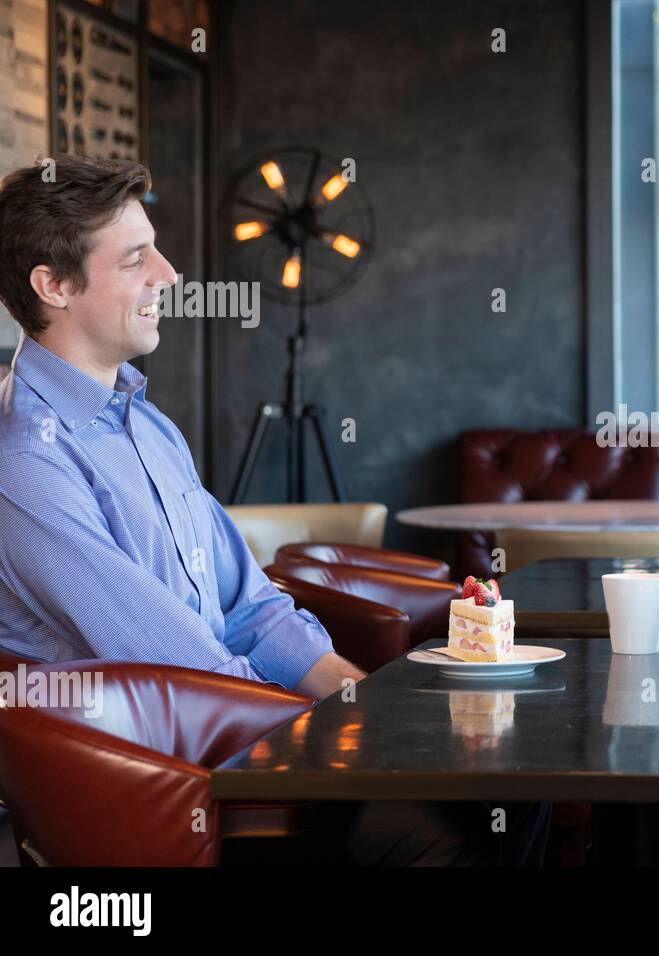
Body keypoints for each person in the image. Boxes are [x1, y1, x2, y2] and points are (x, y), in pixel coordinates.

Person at [0, 155, 547, 865]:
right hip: (179, 790)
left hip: (246, 738)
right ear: (54, 286)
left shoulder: (145, 423)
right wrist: (350, 733)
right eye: (136, 259)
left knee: (516, 777)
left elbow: (252, 609)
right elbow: (177, 668)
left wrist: (365, 702)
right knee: (459, 822)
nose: (169, 275)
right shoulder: (28, 464)